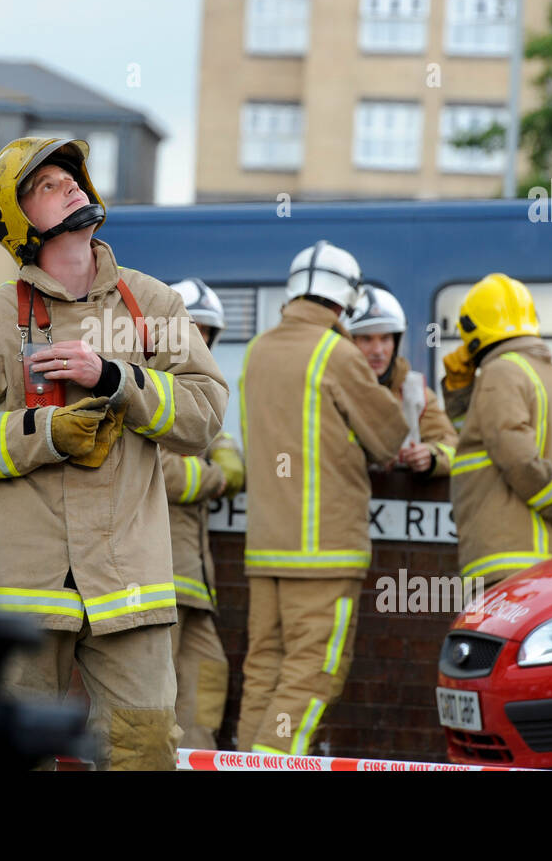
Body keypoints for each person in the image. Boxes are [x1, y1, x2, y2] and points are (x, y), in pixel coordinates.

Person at [0, 137, 228, 771]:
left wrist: (115, 378)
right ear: (20, 221)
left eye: (72, 178)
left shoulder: (156, 305)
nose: (73, 188)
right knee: (11, 756)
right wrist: (44, 432)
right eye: (50, 186)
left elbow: (205, 416)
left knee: (144, 753)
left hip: (128, 588)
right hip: (26, 593)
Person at [235, 242, 410, 756]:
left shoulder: (257, 350)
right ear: (346, 301)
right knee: (312, 677)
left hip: (265, 548)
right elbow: (390, 435)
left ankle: (243, 765)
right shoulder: (336, 353)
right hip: (324, 551)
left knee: (263, 671)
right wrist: (395, 382)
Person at [442, 274, 552, 585]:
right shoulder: (546, 373)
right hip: (534, 554)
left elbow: (517, 456)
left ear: (474, 330)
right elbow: (476, 440)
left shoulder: (501, 372)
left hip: (507, 555)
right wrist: (460, 393)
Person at [159, 278, 244, 751]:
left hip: (192, 584)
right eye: (192, 328)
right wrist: (218, 477)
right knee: (152, 702)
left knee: (206, 687)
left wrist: (225, 453)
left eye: (207, 332)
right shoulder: (141, 384)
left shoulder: (196, 397)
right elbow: (167, 474)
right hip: (153, 582)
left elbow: (215, 437)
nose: (200, 340)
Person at [346, 286, 457, 478]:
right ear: (349, 343)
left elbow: (452, 445)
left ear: (395, 343)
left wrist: (431, 456)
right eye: (366, 339)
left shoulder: (416, 393)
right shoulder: (334, 390)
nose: (378, 350)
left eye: (385, 338)